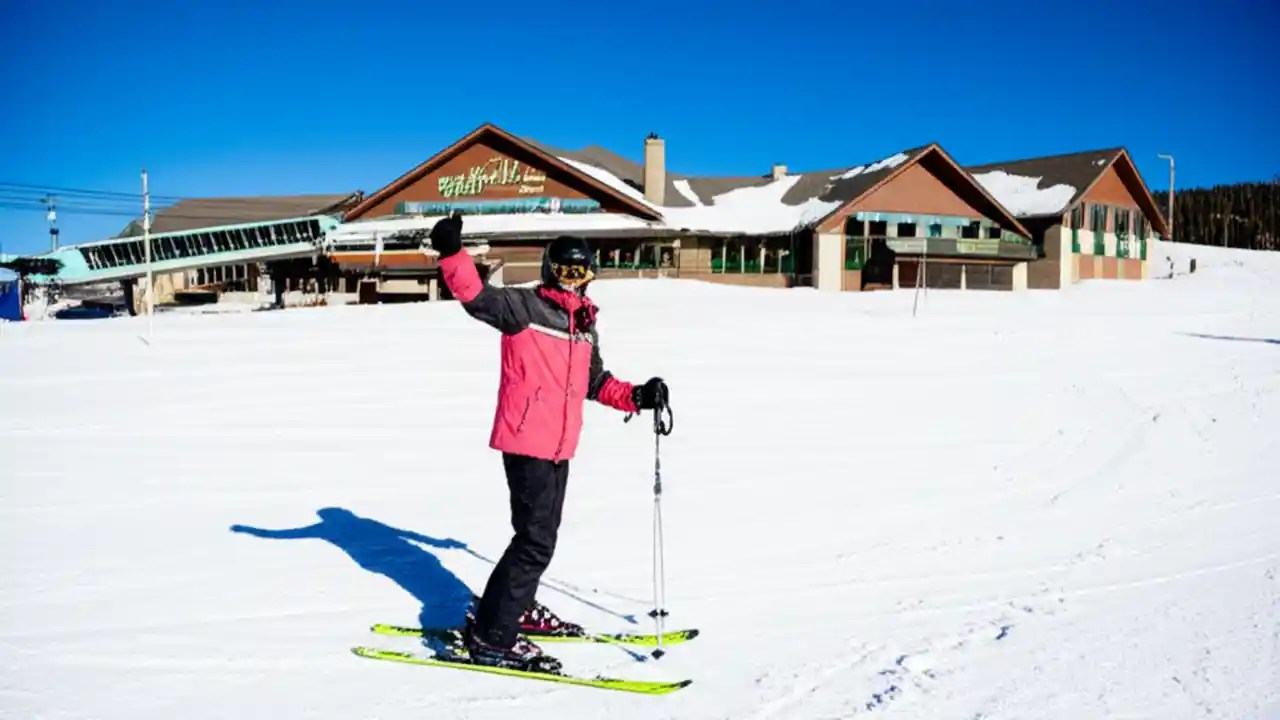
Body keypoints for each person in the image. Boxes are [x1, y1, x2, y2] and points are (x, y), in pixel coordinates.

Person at [429, 213, 669, 671]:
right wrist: (451, 252)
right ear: (548, 270)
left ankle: (514, 609)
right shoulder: (525, 309)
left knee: (539, 537)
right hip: (526, 441)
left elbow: (594, 382)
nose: (573, 280)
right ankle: (493, 636)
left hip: (560, 446)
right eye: (565, 271)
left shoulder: (583, 326)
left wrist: (638, 396)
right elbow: (476, 297)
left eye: (581, 272)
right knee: (534, 542)